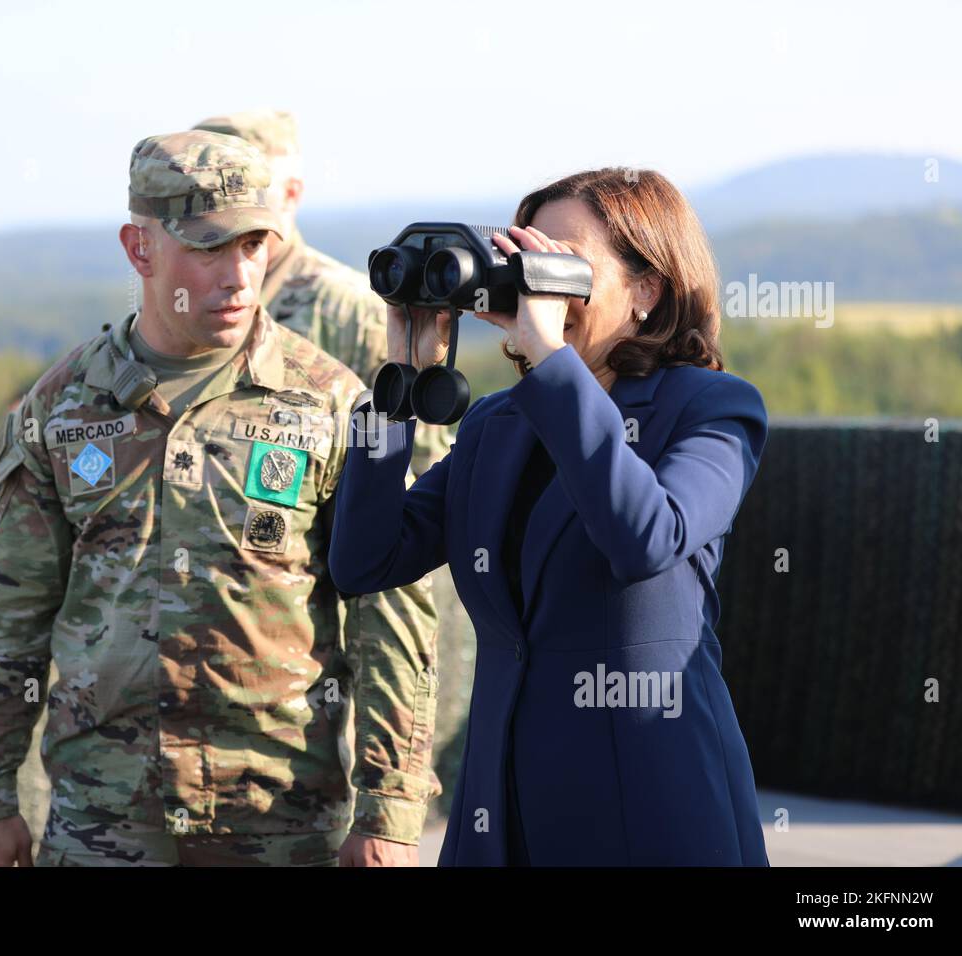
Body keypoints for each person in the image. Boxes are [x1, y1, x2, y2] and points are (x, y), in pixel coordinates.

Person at [0, 130, 439, 867]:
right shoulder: (60, 410)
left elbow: (388, 617)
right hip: (105, 825)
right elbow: (14, 619)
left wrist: (390, 809)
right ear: (140, 248)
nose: (239, 275)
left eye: (253, 246)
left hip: (282, 820)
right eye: (209, 248)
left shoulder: (332, 405)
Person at [329, 168, 771, 866]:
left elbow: (644, 538)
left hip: (646, 812)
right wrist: (396, 387)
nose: (540, 285)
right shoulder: (497, 427)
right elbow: (364, 560)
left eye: (563, 265)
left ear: (647, 292)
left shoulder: (712, 409)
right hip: (498, 812)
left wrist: (550, 358)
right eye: (526, 258)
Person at [193, 109, 451, 476]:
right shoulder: (186, 302)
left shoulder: (352, 311)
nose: (228, 209)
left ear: (291, 193)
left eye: (249, 189)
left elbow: (420, 467)